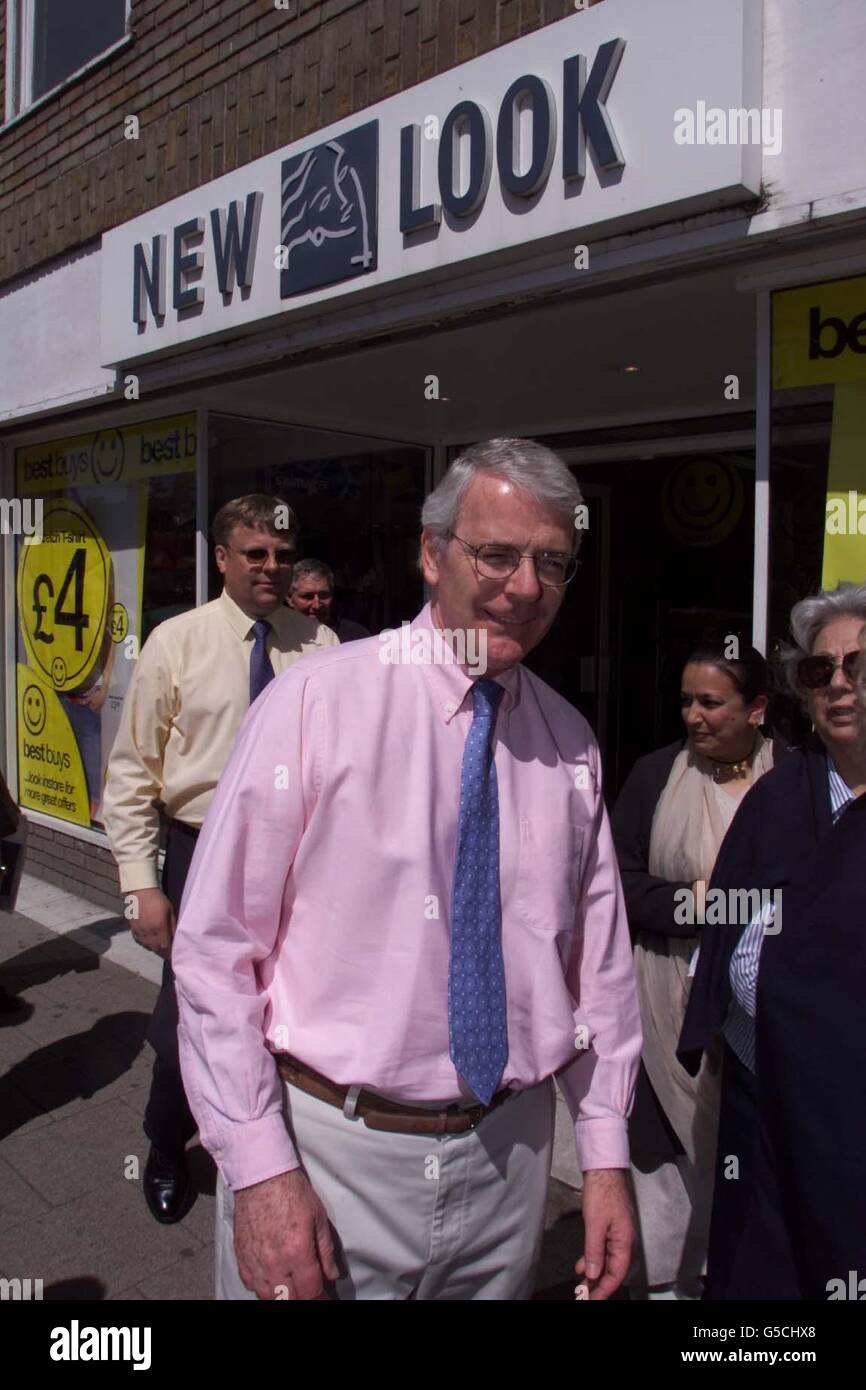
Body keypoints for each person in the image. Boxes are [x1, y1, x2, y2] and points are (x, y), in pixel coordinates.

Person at [172, 437, 642, 1301]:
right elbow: (213, 950)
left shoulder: (569, 742)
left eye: (553, 562)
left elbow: (599, 970)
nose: (527, 587)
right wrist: (260, 1169)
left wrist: (605, 1156)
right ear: (431, 554)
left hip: (512, 1160)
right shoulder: (315, 704)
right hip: (330, 1159)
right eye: (497, 554)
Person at [102, 495, 338, 1226]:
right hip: (200, 850)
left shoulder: (320, 645)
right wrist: (141, 884)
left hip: (298, 855)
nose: (271, 567)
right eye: (255, 553)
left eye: (281, 554)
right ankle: (168, 1142)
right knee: (194, 1015)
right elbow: (133, 773)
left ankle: (268, 1149)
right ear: (223, 559)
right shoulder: (176, 642)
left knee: (284, 1013)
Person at [678, 581, 866, 1298]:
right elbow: (727, 915)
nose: (840, 684)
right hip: (760, 1113)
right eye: (821, 671)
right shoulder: (780, 796)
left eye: (859, 666)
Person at [611, 640, 783, 1300]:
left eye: (711, 702)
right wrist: (692, 904)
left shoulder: (794, 782)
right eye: (685, 700)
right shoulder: (656, 777)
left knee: (754, 1169)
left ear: (758, 708)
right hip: (663, 1009)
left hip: (760, 1018)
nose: (693, 716)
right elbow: (615, 882)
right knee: (663, 1176)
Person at [287, 558, 370, 641]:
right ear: (289, 598)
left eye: (324, 596)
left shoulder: (355, 637)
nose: (317, 605)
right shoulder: (278, 637)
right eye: (308, 597)